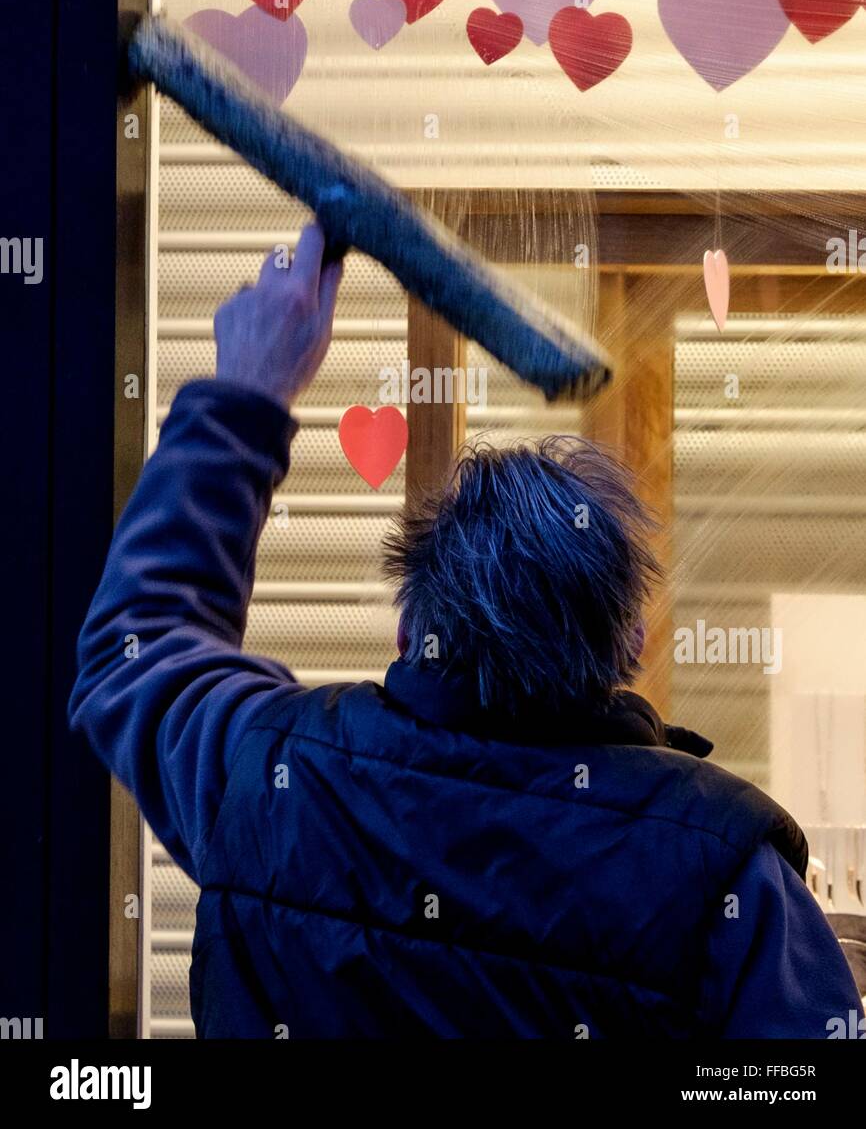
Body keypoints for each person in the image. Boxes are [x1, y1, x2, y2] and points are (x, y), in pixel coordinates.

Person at [70, 225, 861, 1039]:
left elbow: (140, 639)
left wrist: (249, 390)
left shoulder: (273, 779)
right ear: (633, 646)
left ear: (411, 626)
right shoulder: (731, 873)